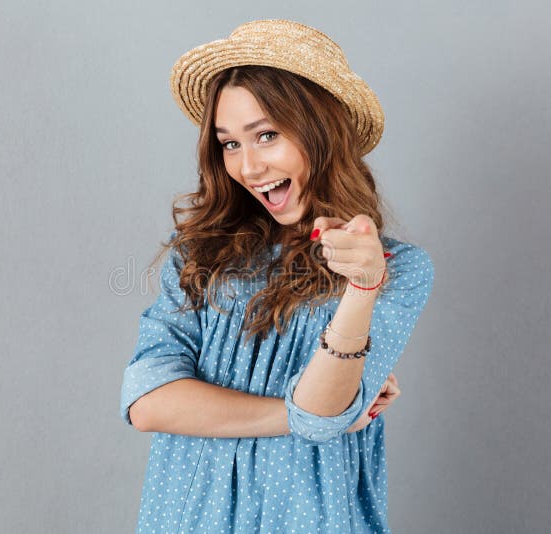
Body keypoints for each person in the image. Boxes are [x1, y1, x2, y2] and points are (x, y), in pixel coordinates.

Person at [120, 19, 435, 533]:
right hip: (187, 518)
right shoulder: (199, 257)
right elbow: (148, 402)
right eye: (229, 144)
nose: (247, 167)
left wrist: (362, 290)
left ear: (322, 132)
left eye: (266, 135)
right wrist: (317, 417)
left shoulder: (398, 270)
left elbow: (322, 409)